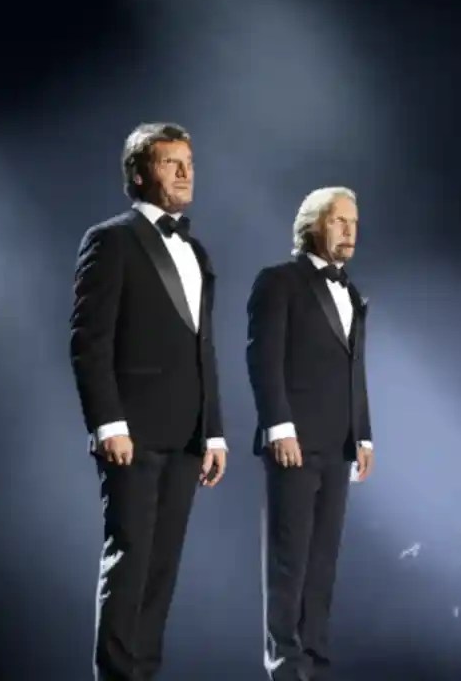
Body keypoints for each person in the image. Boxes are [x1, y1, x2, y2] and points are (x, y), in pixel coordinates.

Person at [69, 122, 228, 681]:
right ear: (139, 173)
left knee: (162, 571)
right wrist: (108, 422)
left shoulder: (197, 249)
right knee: (130, 561)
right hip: (130, 434)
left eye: (189, 161)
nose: (185, 172)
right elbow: (90, 342)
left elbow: (202, 345)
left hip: (186, 436)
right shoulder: (110, 239)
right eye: (169, 162)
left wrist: (213, 431)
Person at [246, 187, 374, 680]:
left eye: (354, 222)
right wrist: (279, 427)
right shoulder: (279, 281)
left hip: (338, 446)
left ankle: (316, 669)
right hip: (293, 445)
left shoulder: (352, 290)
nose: (350, 230)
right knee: (288, 564)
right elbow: (263, 359)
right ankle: (285, 669)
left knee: (322, 565)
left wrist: (363, 435)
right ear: (311, 226)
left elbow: (355, 370)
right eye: (339, 220)